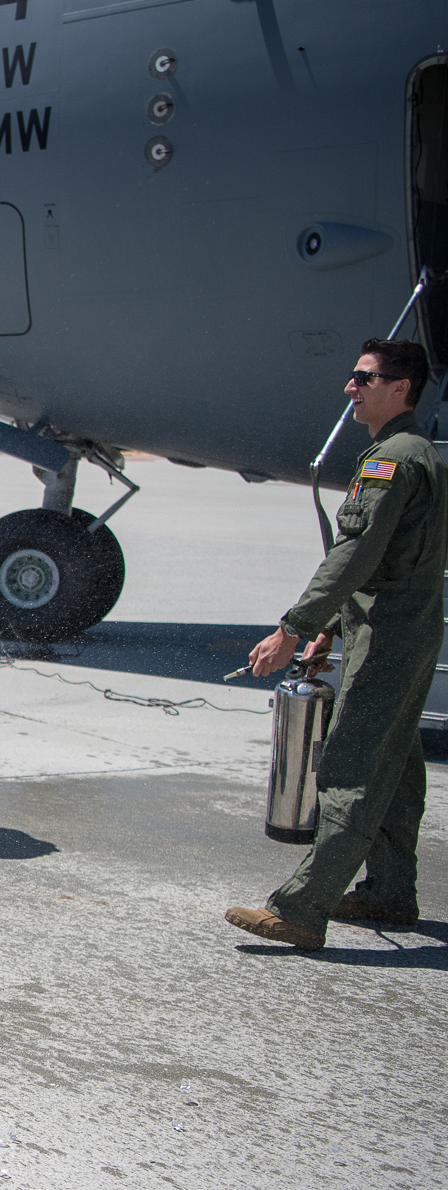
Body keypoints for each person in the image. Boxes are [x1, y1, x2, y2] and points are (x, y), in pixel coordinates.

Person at [228, 338, 446, 950]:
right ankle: (390, 891)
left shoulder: (391, 461)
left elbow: (356, 553)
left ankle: (302, 908)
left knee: (351, 767)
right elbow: (391, 560)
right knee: (398, 767)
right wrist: (334, 628)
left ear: (400, 387)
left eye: (363, 377)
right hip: (403, 627)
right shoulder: (415, 452)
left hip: (389, 636)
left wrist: (293, 627)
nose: (350, 388)